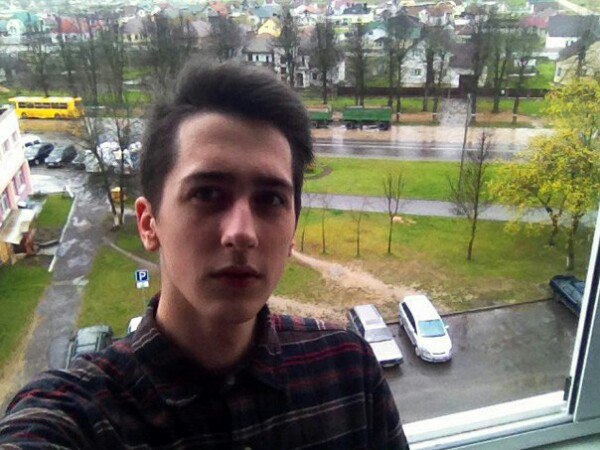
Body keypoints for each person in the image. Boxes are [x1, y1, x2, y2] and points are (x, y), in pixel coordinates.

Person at [0, 61, 408, 449]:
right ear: (148, 223)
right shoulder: (80, 417)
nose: (242, 233)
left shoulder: (349, 372)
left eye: (270, 199)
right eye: (208, 194)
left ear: (292, 233)